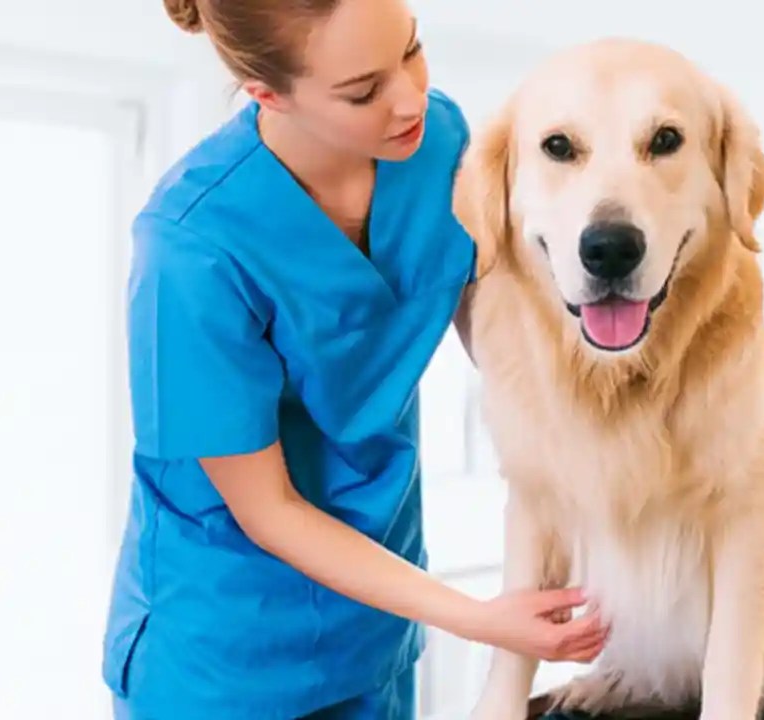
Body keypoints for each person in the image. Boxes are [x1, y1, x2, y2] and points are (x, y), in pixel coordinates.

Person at [103, 0, 610, 717]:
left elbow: (490, 331)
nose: (409, 98)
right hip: (222, 655)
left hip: (371, 631)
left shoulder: (440, 144)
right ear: (267, 94)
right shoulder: (190, 247)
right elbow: (269, 511)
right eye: (363, 90)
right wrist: (479, 618)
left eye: (412, 50)